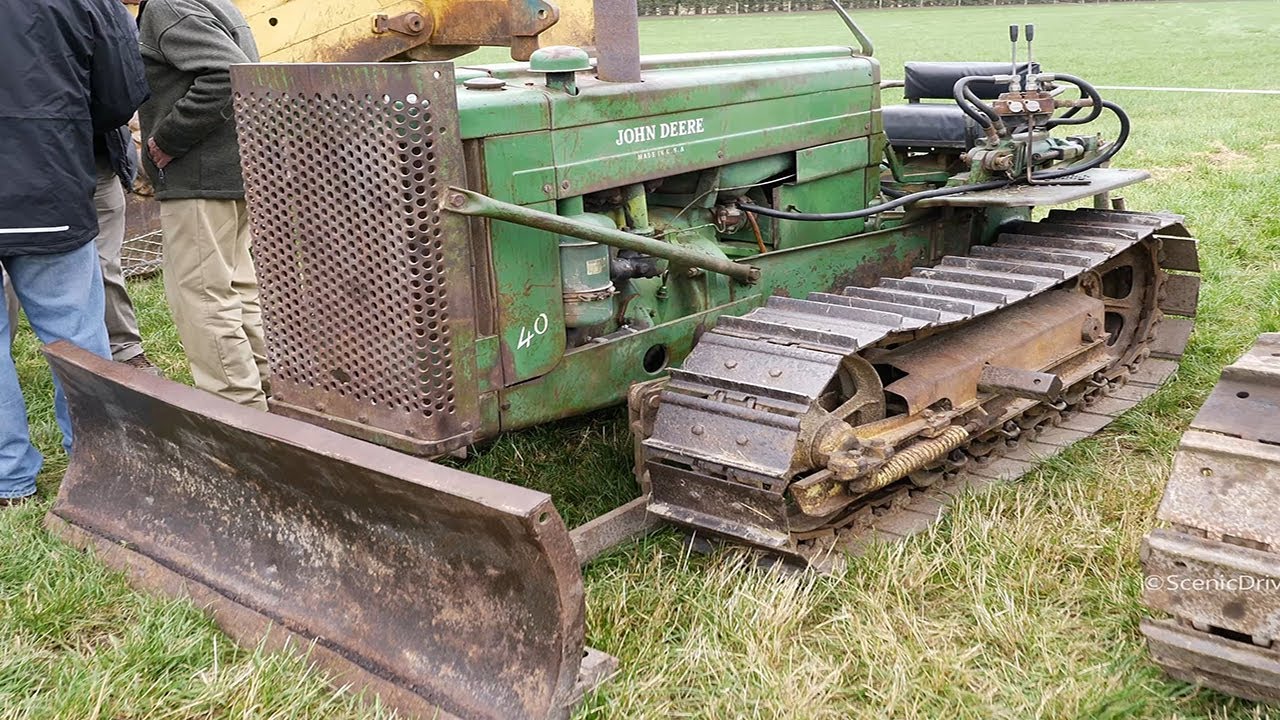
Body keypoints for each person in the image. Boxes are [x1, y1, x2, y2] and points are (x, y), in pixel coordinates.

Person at [0, 0, 149, 505]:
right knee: (77, 334)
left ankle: (8, 480)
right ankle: (99, 464)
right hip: (48, 183)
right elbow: (119, 95)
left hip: (48, 178)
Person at [137, 0, 268, 409]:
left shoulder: (166, 5)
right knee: (238, 289)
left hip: (200, 176)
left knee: (203, 299)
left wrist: (165, 141)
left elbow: (226, 74)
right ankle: (274, 396)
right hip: (234, 170)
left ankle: (242, 420)